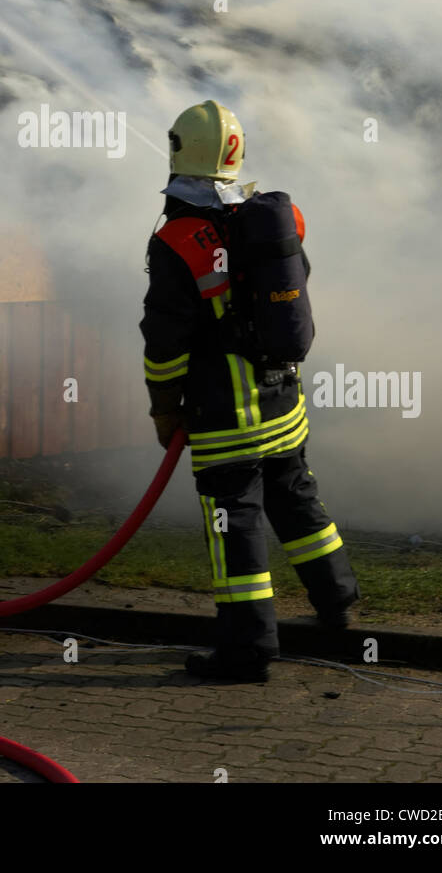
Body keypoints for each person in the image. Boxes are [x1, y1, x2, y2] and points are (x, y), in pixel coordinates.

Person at [140, 100, 359, 683]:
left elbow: (165, 340)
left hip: (224, 414)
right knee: (294, 495)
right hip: (282, 402)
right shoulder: (271, 220)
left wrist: (164, 408)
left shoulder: (178, 238)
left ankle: (247, 650)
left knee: (232, 524)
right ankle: (337, 600)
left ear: (178, 149)